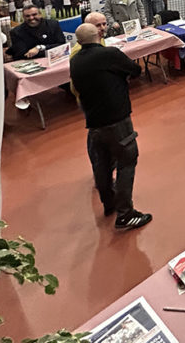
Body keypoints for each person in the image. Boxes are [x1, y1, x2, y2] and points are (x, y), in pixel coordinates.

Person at [69, 22, 150, 230]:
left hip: (93, 120)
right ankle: (125, 214)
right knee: (126, 162)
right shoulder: (109, 54)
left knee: (102, 163)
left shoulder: (75, 60)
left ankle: (109, 203)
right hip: (117, 119)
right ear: (99, 34)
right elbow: (135, 69)